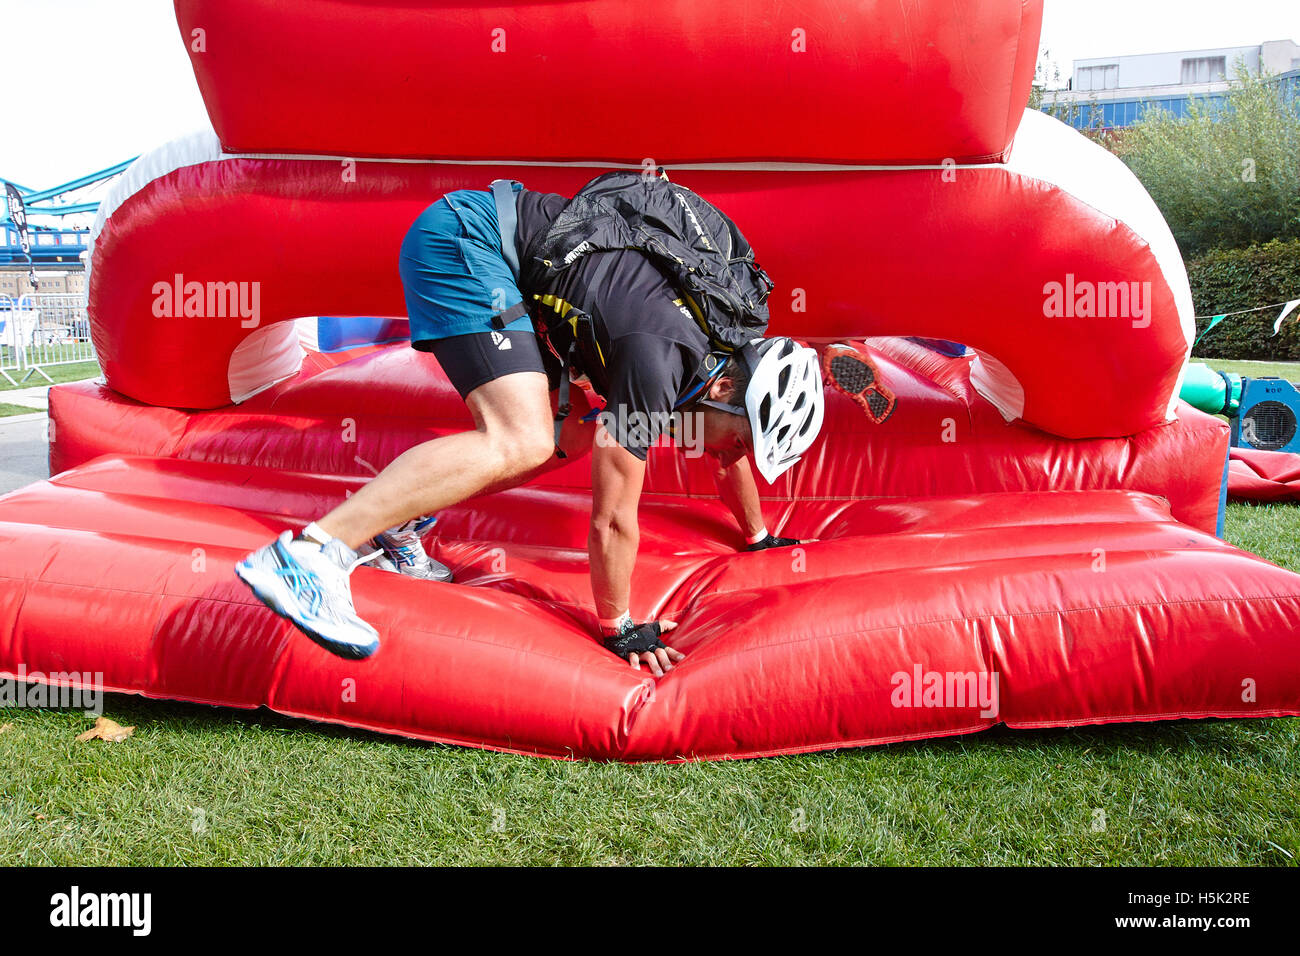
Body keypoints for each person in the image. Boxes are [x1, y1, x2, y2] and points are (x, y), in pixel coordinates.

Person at [236, 178, 827, 674]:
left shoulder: (724, 355)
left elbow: (729, 458)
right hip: (467, 239)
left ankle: (398, 522)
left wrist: (758, 539)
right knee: (517, 438)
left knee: (563, 441)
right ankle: (312, 556)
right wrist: (619, 627)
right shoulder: (659, 360)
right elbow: (613, 517)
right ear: (725, 390)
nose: (730, 452)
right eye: (742, 437)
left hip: (518, 273)